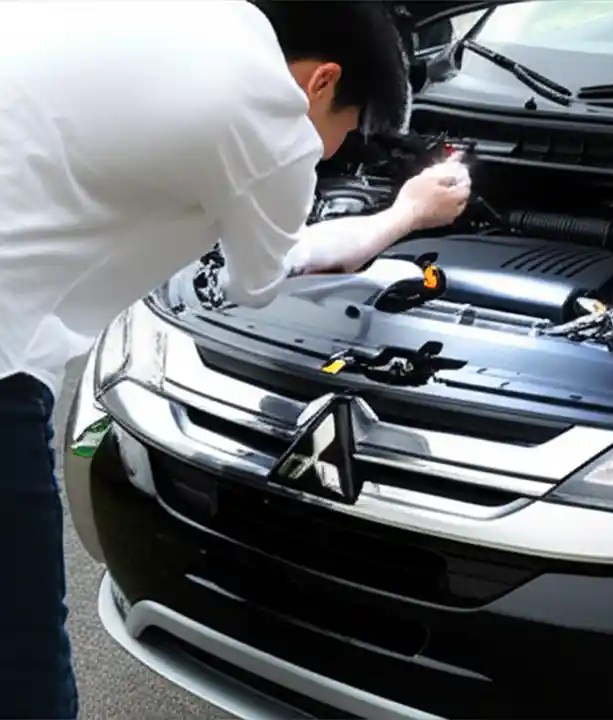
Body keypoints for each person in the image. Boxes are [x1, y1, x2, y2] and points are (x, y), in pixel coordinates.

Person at [0, 1, 470, 716]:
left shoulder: (185, 20)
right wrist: (407, 212)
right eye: (347, 132)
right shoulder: (271, 120)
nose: (338, 155)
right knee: (23, 652)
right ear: (322, 83)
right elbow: (262, 278)